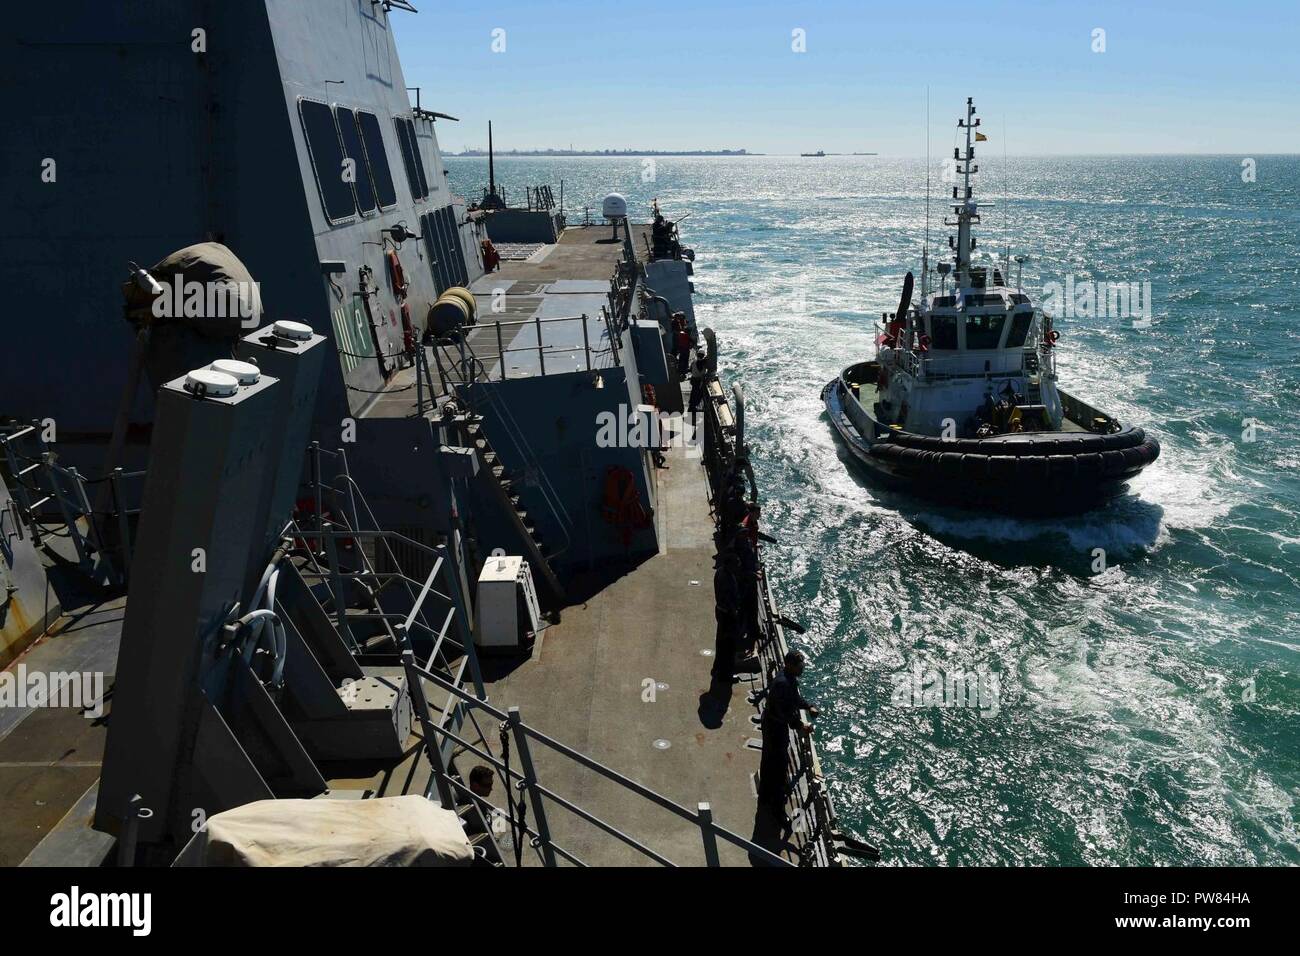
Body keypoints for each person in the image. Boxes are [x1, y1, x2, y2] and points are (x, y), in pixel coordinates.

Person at [757, 651, 818, 819]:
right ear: (789, 665)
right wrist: (800, 725)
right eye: (799, 666)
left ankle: (766, 795)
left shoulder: (788, 678)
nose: (802, 669)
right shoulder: (783, 684)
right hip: (774, 728)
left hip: (775, 725)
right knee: (778, 765)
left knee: (771, 761)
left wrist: (808, 706)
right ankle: (776, 810)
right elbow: (783, 711)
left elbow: (794, 699)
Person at [712, 551, 741, 684]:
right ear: (729, 564)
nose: (737, 566)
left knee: (721, 643)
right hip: (727, 615)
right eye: (736, 564)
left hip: (721, 612)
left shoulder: (720, 572)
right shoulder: (727, 578)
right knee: (729, 646)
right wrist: (734, 612)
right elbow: (728, 599)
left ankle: (717, 669)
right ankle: (725, 676)